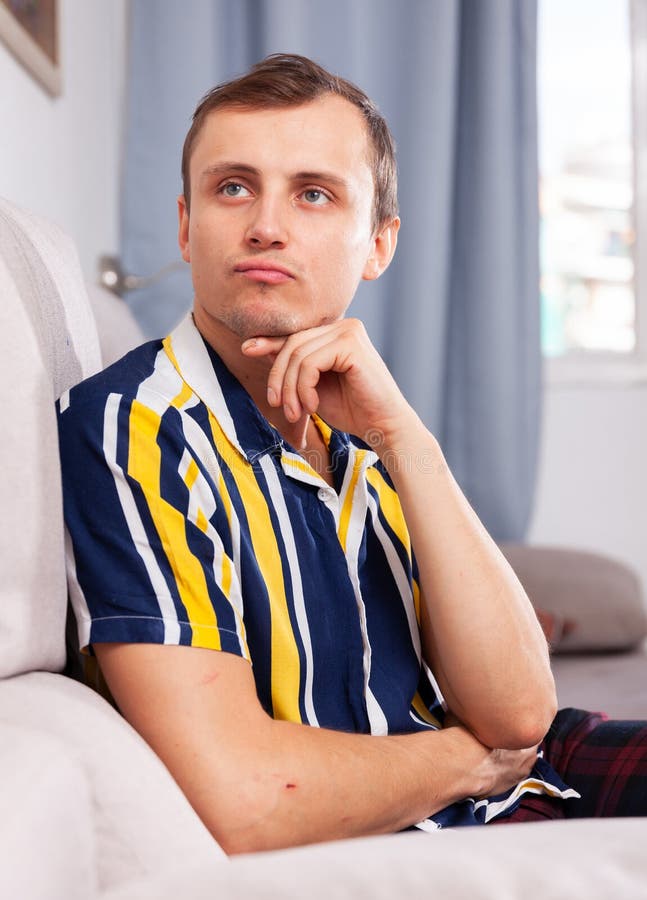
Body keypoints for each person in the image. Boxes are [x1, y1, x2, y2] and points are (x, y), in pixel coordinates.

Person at [57, 53, 647, 854]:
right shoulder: (139, 428)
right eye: (233, 186)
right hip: (438, 804)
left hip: (523, 770)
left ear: (378, 245)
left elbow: (519, 713)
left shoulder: (362, 428)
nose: (266, 223)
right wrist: (469, 762)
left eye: (313, 194)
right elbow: (247, 801)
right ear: (187, 228)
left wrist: (407, 439)